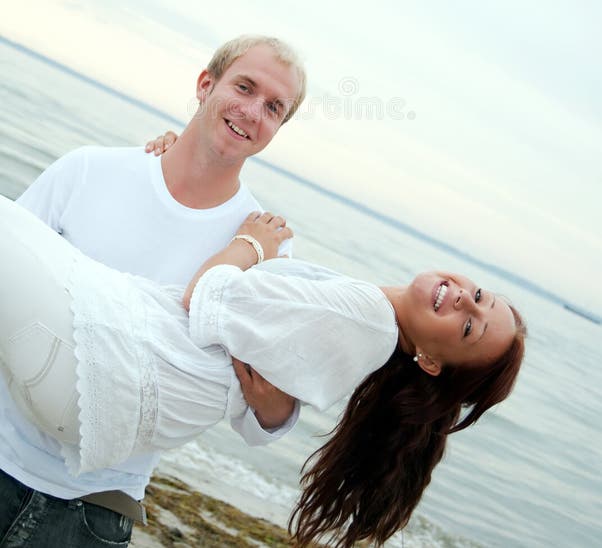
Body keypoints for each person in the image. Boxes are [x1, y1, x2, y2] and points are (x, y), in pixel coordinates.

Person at [0, 195, 526, 548]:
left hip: (101, 358)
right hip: (108, 382)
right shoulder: (366, 331)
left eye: (468, 327)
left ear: (432, 363)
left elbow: (204, 298)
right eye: (479, 296)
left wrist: (252, 244)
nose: (463, 300)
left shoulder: (363, 318)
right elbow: (260, 399)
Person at [0, 35, 307, 547]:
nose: (253, 111)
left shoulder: (264, 250)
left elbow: (260, 424)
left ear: (277, 129)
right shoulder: (89, 170)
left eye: (273, 107)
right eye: (245, 87)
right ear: (206, 84)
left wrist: (279, 400)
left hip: (91, 513)